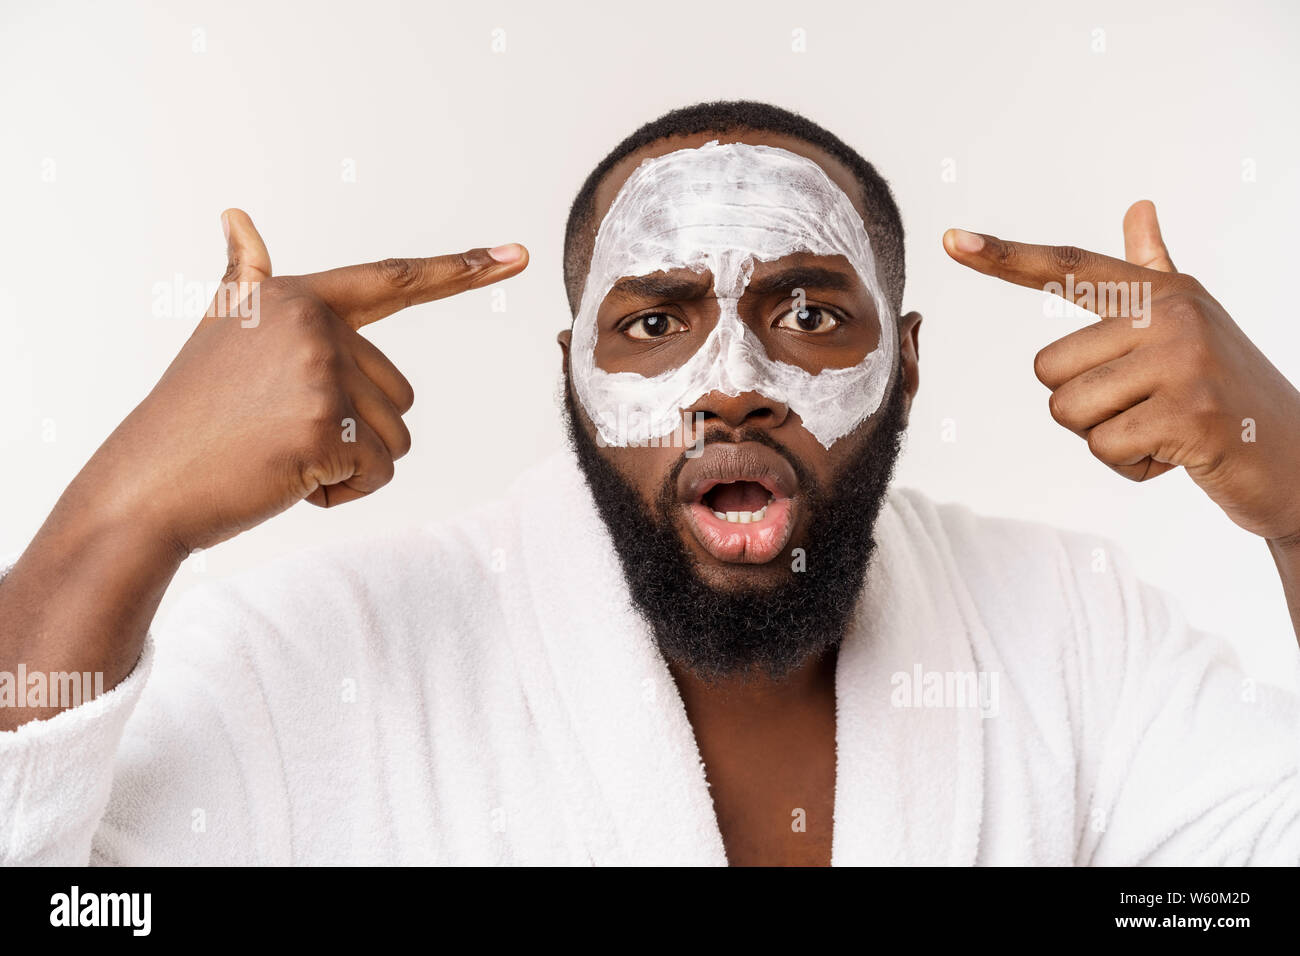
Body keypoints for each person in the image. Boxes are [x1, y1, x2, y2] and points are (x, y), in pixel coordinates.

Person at [1, 100, 1297, 866]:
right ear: (571, 377)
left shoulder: (1070, 631)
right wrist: (124, 514)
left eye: (808, 310)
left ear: (905, 369)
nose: (732, 382)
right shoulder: (326, 657)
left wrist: (1293, 494)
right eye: (654, 322)